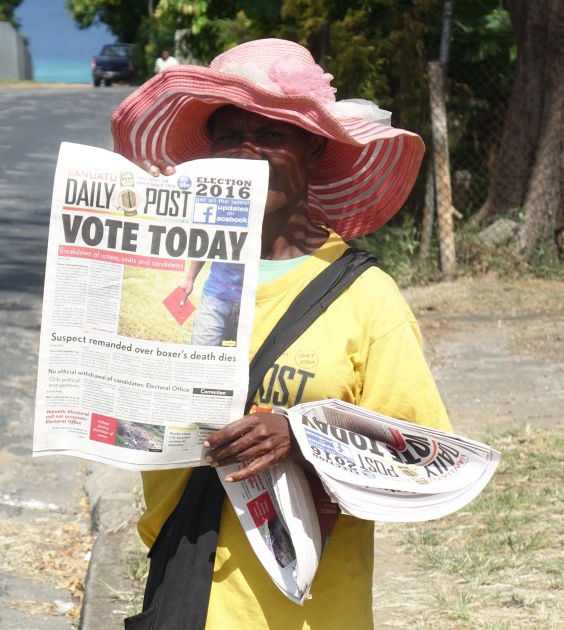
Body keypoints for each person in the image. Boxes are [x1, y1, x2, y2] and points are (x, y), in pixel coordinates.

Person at [110, 38, 452, 627]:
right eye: (228, 135)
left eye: (272, 134)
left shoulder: (365, 296)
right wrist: (156, 231)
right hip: (189, 594)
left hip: (315, 612)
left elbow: (424, 459)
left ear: (315, 148)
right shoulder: (166, 271)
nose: (246, 153)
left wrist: (301, 438)